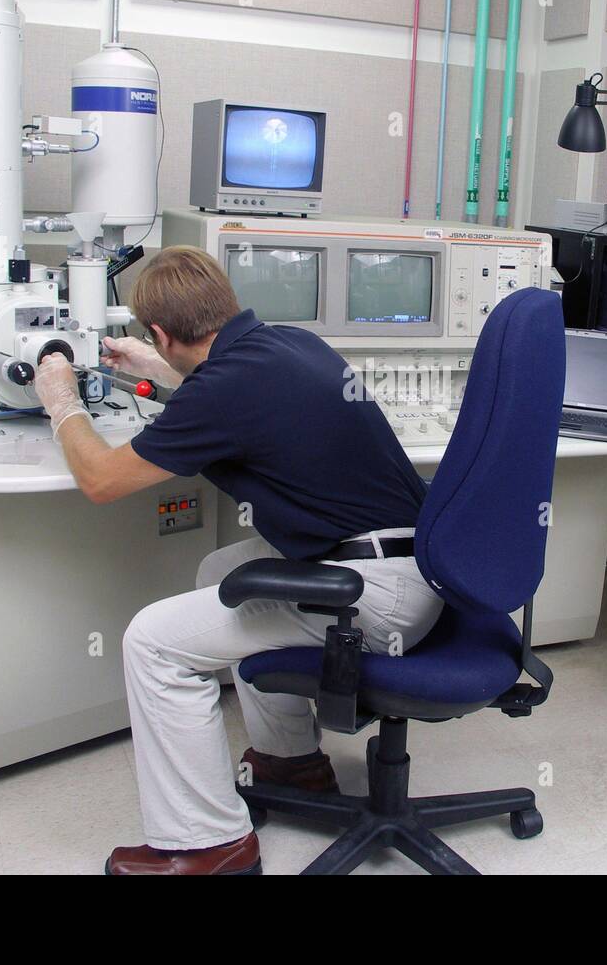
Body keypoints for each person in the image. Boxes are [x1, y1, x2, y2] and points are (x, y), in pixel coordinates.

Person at [33, 245, 443, 875]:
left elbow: (99, 479)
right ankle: (294, 765)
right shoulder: (291, 344)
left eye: (157, 343)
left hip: (375, 596)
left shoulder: (224, 389)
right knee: (221, 574)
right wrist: (159, 365)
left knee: (151, 642)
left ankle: (207, 845)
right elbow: (236, 399)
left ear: (163, 332)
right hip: (415, 569)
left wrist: (61, 398)